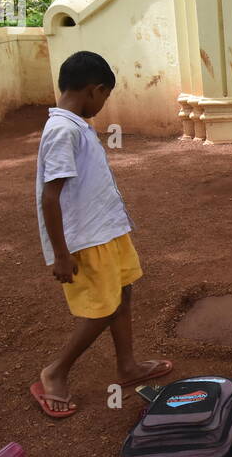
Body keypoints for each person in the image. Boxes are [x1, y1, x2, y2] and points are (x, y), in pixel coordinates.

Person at [29, 51, 172, 419]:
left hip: (107, 231)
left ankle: (127, 366)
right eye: (105, 96)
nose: (103, 104)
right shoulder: (62, 130)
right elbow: (50, 196)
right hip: (86, 240)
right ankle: (54, 371)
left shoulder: (74, 124)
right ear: (94, 90)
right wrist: (61, 253)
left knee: (123, 292)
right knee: (101, 308)